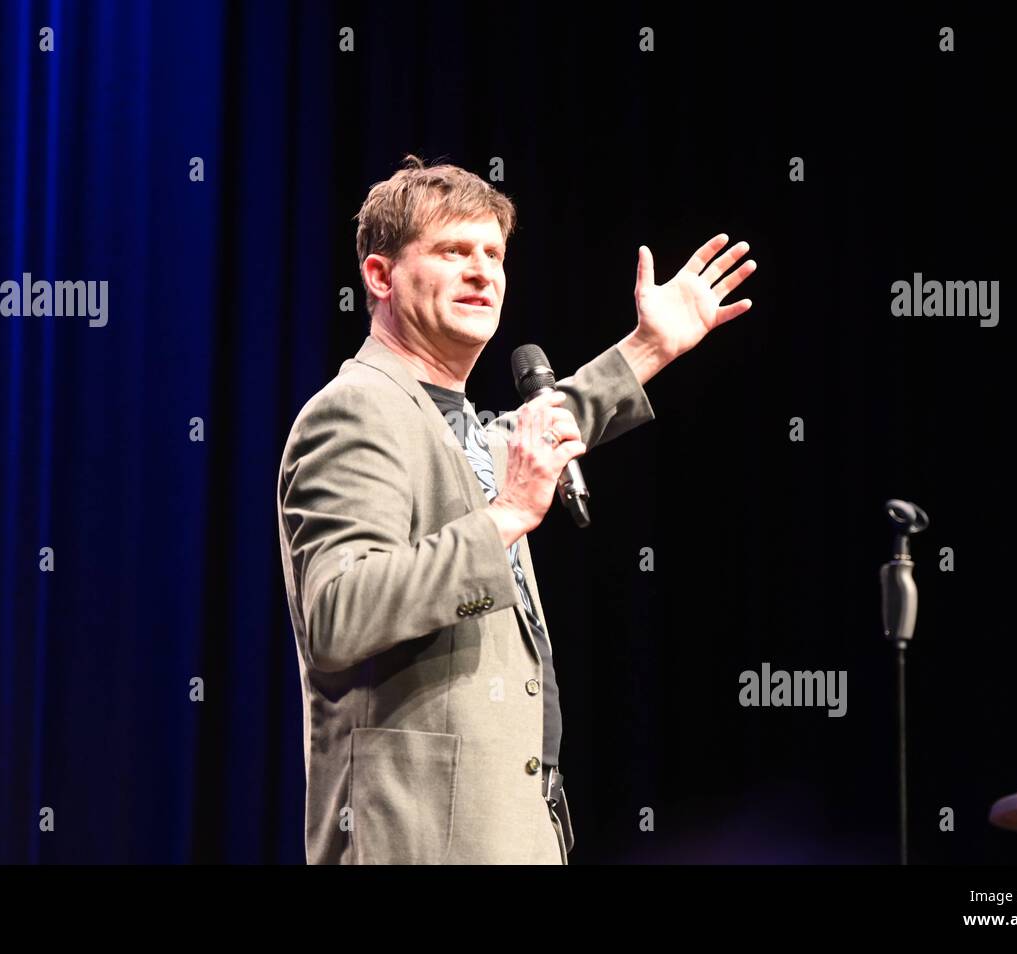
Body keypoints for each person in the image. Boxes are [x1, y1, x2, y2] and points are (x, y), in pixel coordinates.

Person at [277, 154, 756, 864]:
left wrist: (649, 346)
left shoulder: (460, 422)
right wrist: (505, 515)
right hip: (417, 843)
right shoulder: (355, 412)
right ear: (379, 277)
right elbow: (339, 614)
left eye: (493, 255)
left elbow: (547, 423)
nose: (482, 273)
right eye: (452, 252)